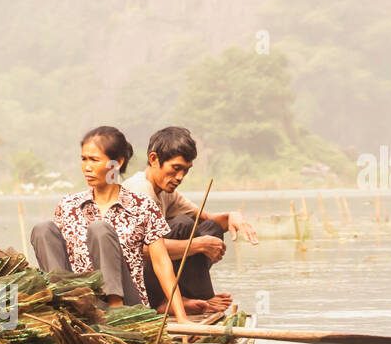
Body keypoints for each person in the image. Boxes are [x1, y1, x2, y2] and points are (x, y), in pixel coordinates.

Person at [29, 125, 213, 320]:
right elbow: (57, 257)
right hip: (81, 304)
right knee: (42, 229)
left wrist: (182, 318)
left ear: (116, 163)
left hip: (127, 304)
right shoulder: (68, 205)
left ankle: (115, 312)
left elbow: (161, 263)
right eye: (84, 159)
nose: (87, 167)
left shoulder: (142, 205)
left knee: (100, 229)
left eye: (94, 160)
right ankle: (62, 309)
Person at [120, 126, 258, 314]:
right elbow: (139, 250)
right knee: (183, 225)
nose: (180, 177)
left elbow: (208, 219)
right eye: (176, 169)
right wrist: (198, 245)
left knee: (211, 228)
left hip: (158, 272)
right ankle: (168, 303)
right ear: (154, 159)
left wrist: (233, 216)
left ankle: (190, 298)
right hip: (135, 285)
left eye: (185, 171)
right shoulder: (139, 190)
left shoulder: (166, 191)